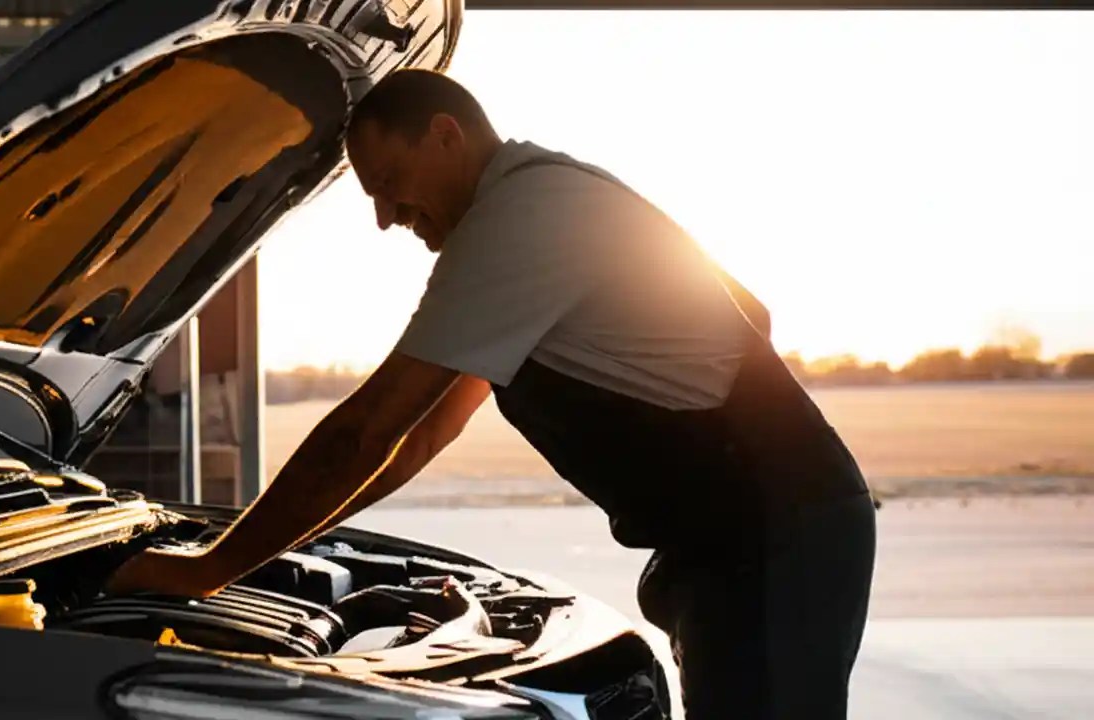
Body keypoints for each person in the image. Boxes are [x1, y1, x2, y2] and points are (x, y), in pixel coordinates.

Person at [107, 69, 877, 719]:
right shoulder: (553, 196)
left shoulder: (518, 219)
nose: (386, 218)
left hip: (775, 534)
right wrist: (287, 545)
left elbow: (365, 432)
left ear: (446, 135)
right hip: (740, 536)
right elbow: (420, 435)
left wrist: (206, 571)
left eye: (392, 185)